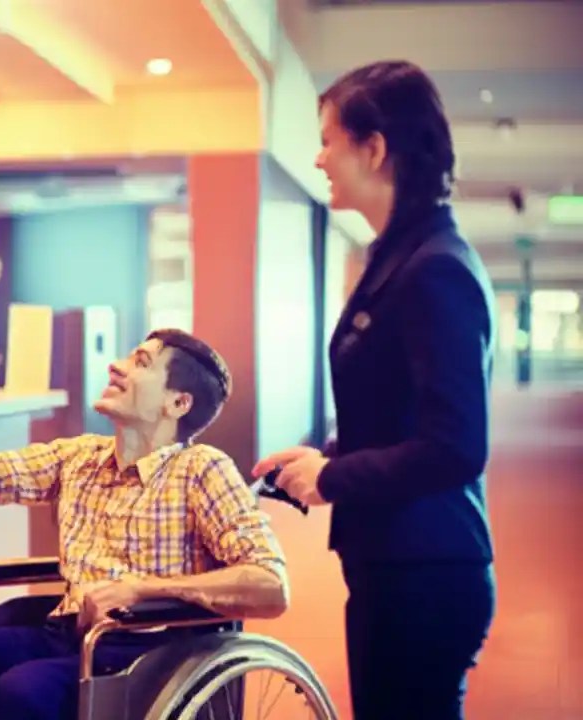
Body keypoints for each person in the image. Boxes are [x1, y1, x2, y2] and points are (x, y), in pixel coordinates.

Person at [0, 328, 288, 720]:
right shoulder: (80, 457)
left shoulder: (203, 470)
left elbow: (270, 585)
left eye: (141, 363)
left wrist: (144, 589)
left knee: (23, 692)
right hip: (69, 631)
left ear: (178, 402)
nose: (116, 367)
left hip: (151, 648)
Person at [253, 60, 496, 720]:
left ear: (376, 148)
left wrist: (333, 477)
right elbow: (397, 414)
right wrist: (317, 458)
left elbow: (454, 447)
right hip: (400, 564)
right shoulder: (403, 255)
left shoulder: (434, 269)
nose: (320, 156)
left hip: (425, 571)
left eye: (329, 138)